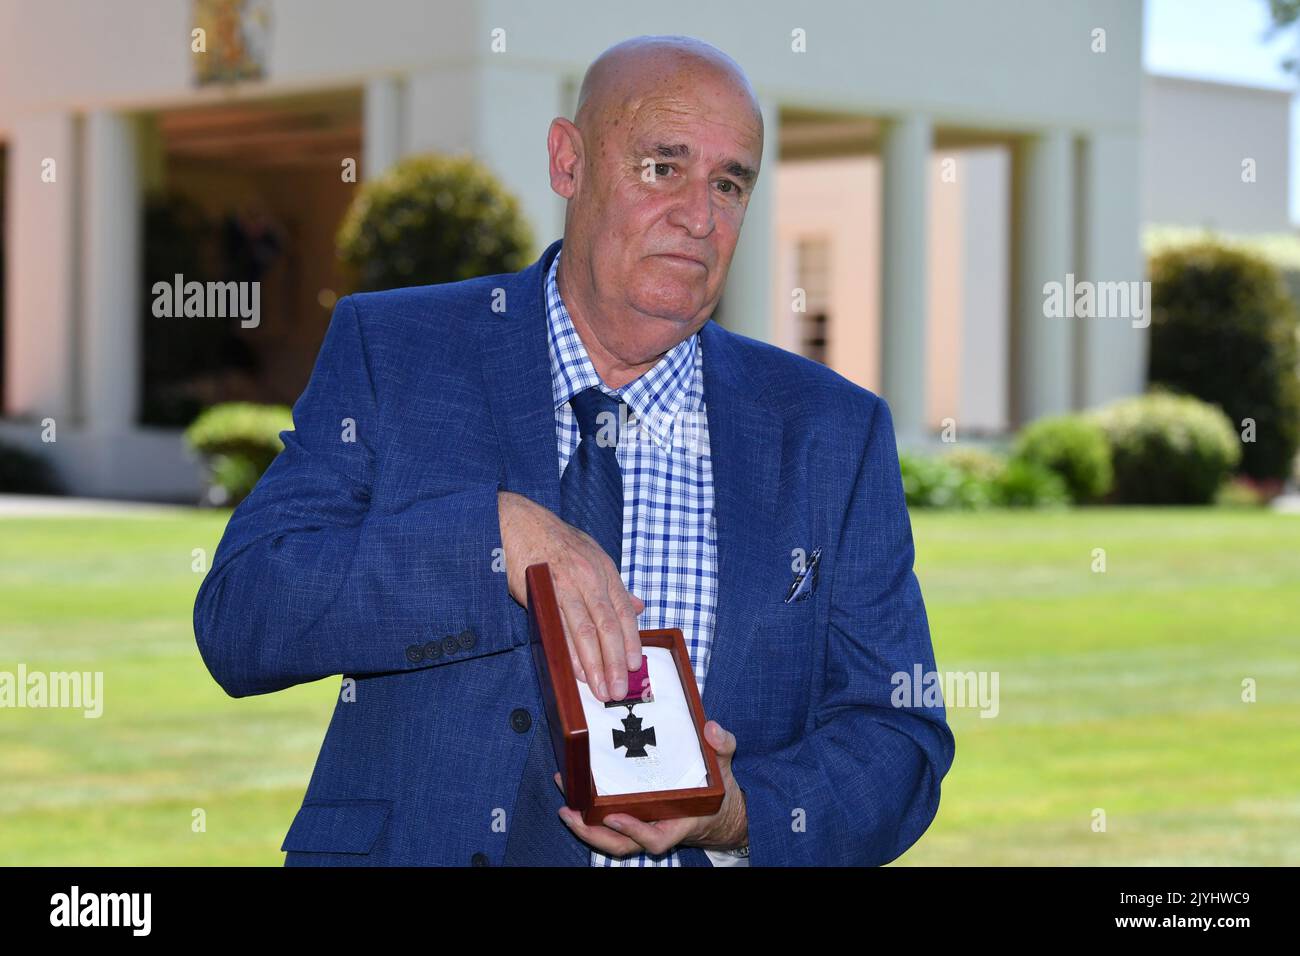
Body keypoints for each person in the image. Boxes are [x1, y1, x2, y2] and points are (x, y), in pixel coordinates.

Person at [193, 34, 955, 867]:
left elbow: (898, 735)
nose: (700, 216)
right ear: (569, 162)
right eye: (663, 167)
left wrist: (741, 813)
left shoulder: (829, 431)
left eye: (729, 183)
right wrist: (491, 540)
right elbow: (243, 616)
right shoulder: (399, 351)